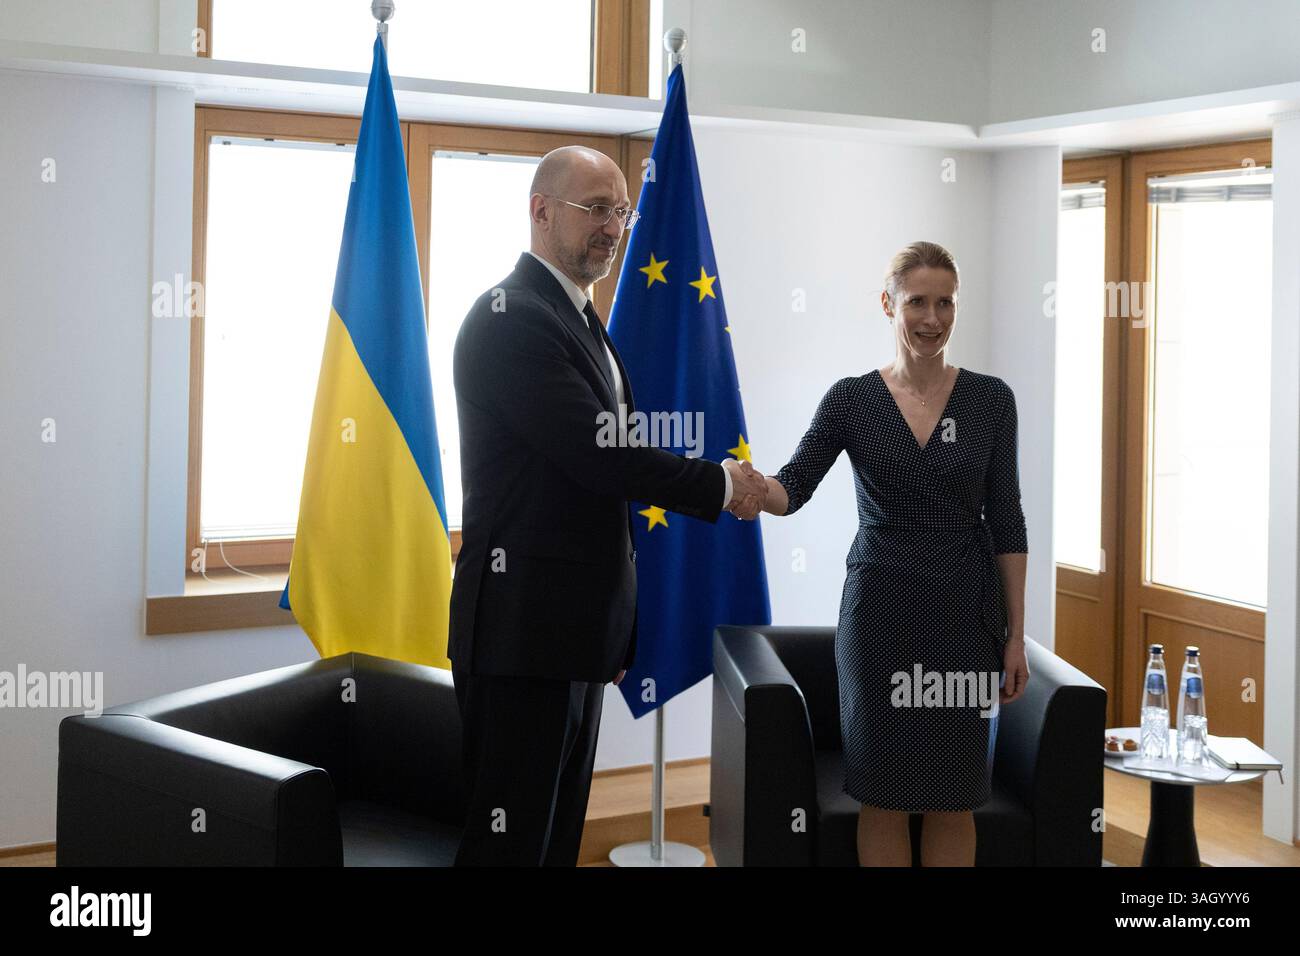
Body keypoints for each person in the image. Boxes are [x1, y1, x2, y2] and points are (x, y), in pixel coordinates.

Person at [448, 145, 767, 866]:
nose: (614, 227)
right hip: (520, 636)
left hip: (572, 638)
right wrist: (721, 485)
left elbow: (599, 499)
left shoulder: (584, 321)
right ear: (540, 211)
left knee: (554, 842)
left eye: (621, 210)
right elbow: (602, 458)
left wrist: (615, 634)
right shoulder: (510, 318)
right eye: (596, 208)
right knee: (508, 849)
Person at [732, 240, 1030, 867]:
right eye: (917, 301)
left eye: (945, 303)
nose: (932, 318)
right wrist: (757, 491)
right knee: (883, 796)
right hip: (879, 621)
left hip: (966, 618)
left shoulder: (992, 399)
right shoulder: (851, 399)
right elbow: (796, 487)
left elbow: (1007, 521)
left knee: (955, 796)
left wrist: (1015, 636)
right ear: (888, 304)